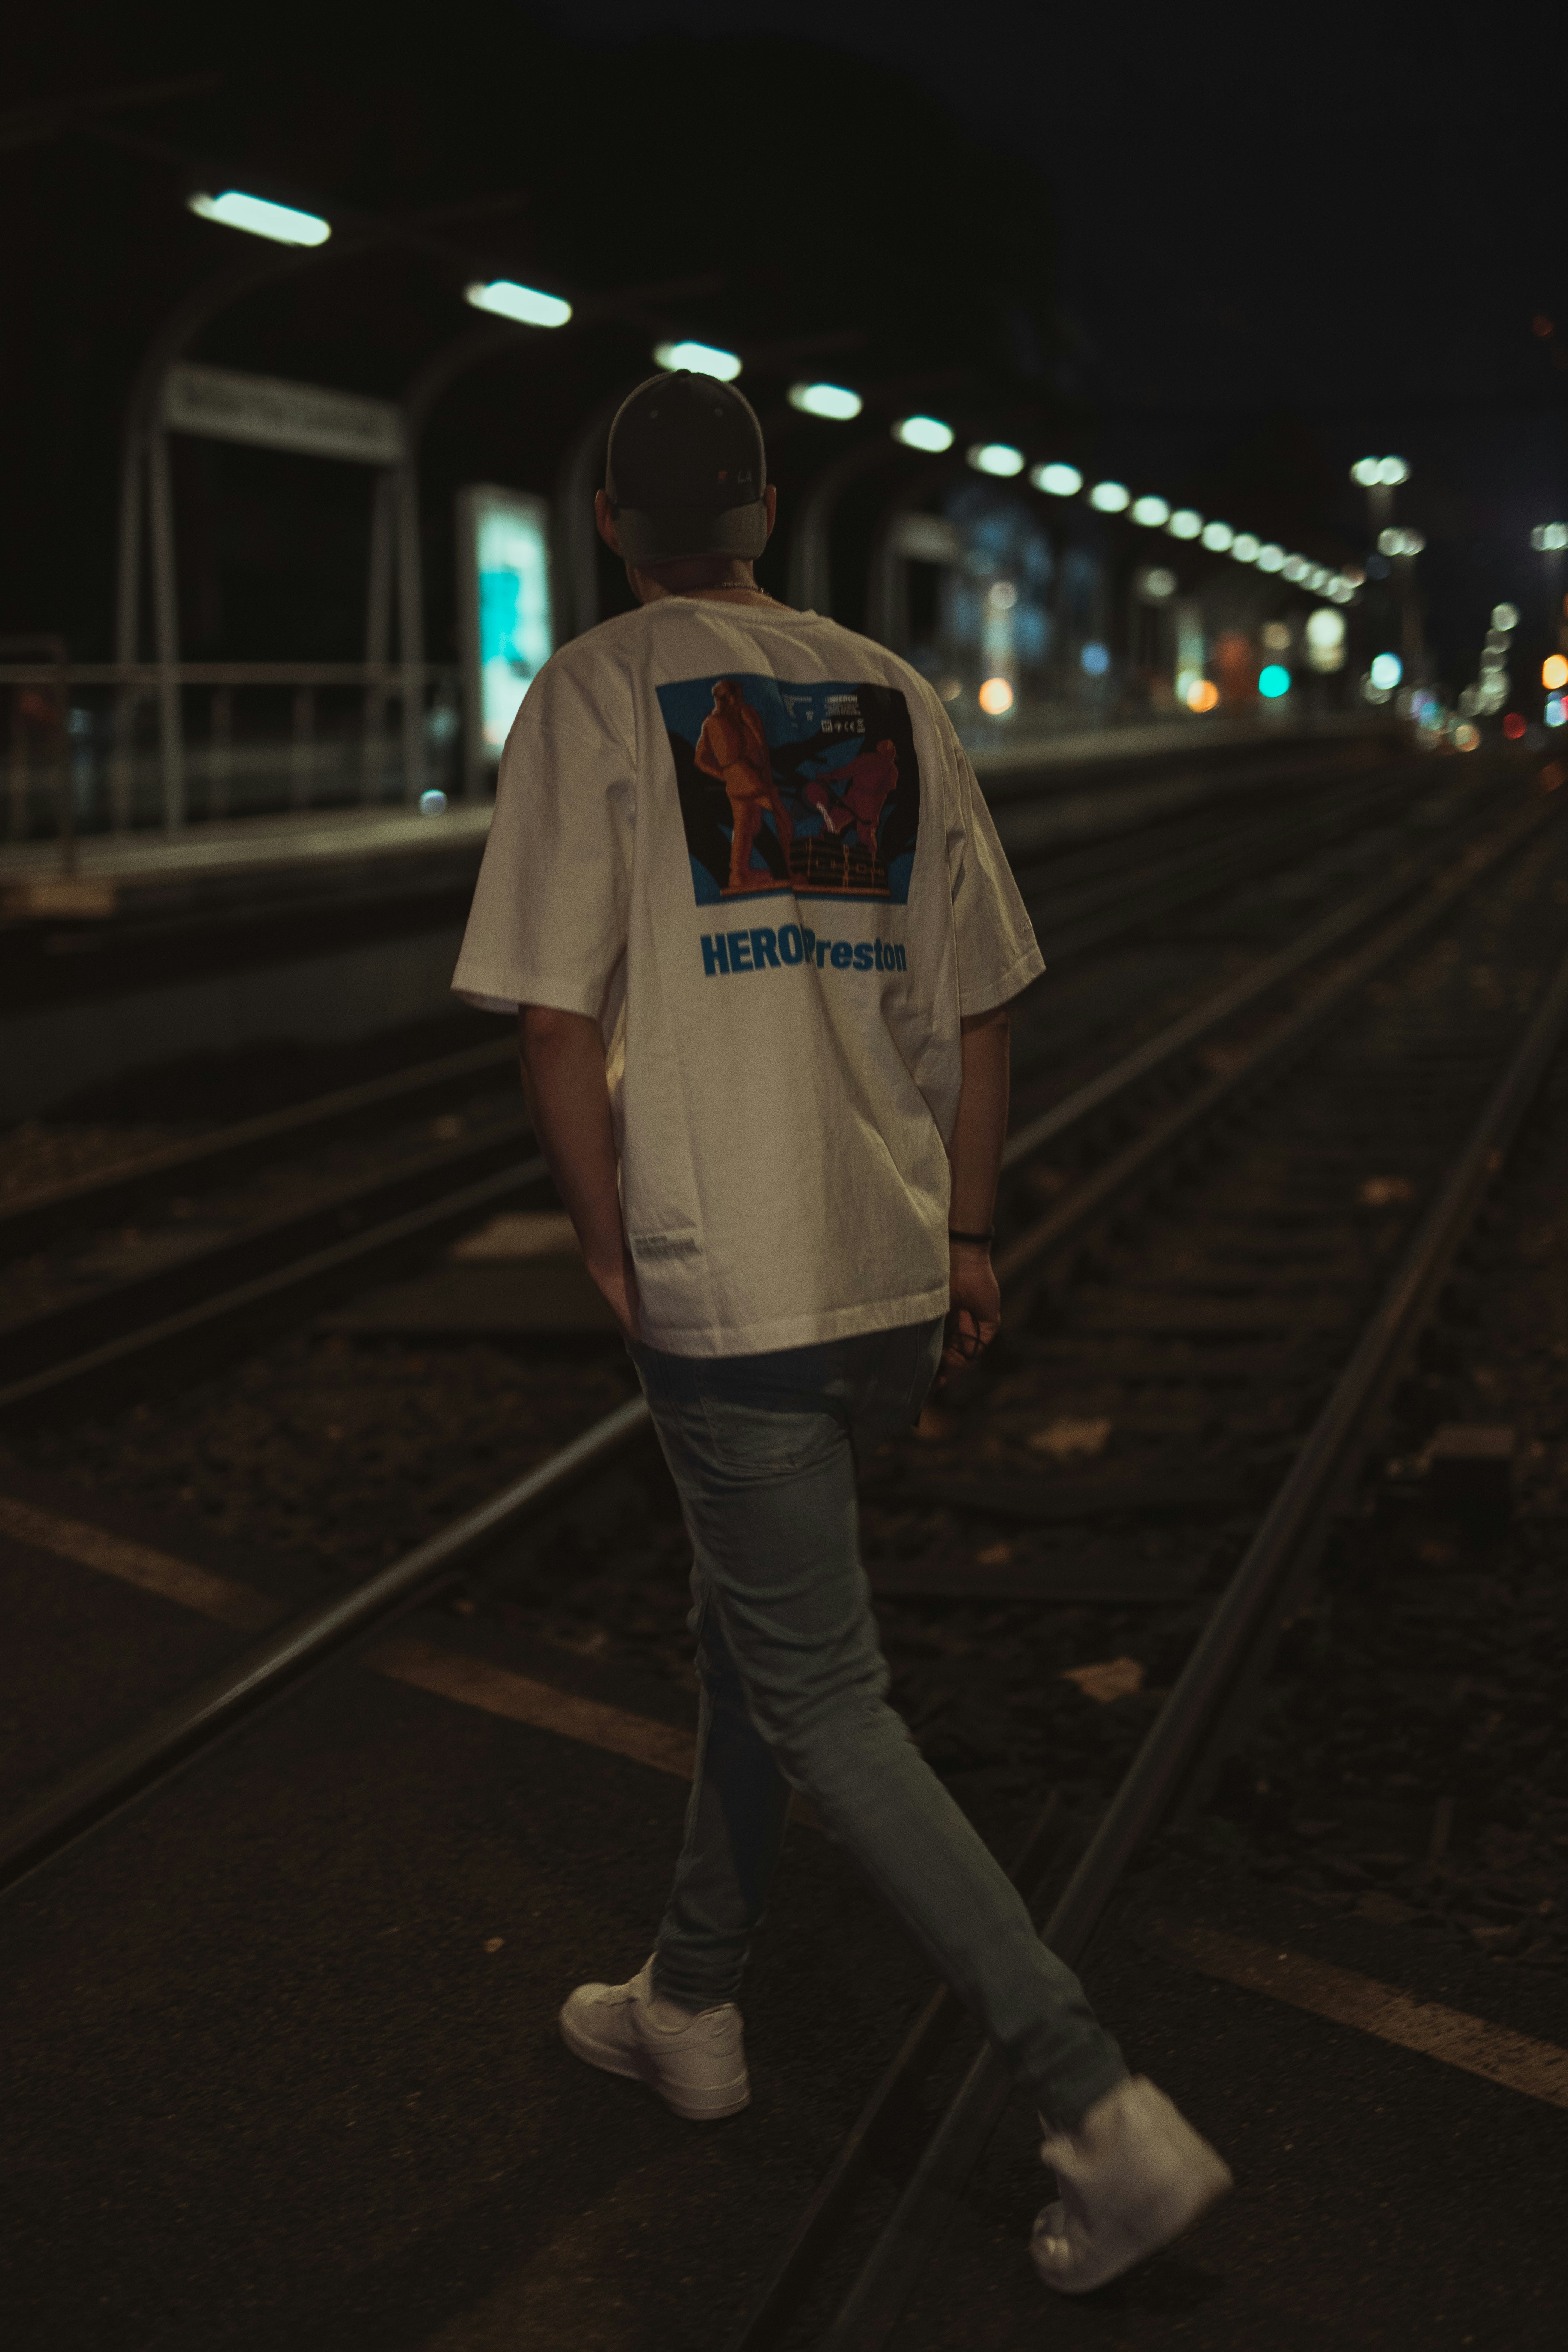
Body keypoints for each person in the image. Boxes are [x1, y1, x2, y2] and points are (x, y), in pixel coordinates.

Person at [451, 369, 1229, 2296]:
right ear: (771, 509)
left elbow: (555, 1020)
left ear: (617, 524)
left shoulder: (598, 691)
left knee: (826, 1697)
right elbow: (978, 1006)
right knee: (760, 1630)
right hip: (883, 1269)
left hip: (731, 1280)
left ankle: (1095, 2105)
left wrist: (601, 1244)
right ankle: (691, 2002)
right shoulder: (887, 693)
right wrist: (968, 1226)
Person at [694, 676, 795, 891]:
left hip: (736, 783)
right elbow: (761, 745)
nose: (740, 699)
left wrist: (726, 776)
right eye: (737, 696)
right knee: (783, 819)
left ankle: (739, 874)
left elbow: (700, 760)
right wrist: (765, 778)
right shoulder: (742, 714)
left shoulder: (709, 724)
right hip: (752, 779)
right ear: (728, 697)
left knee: (745, 828)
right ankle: (791, 870)